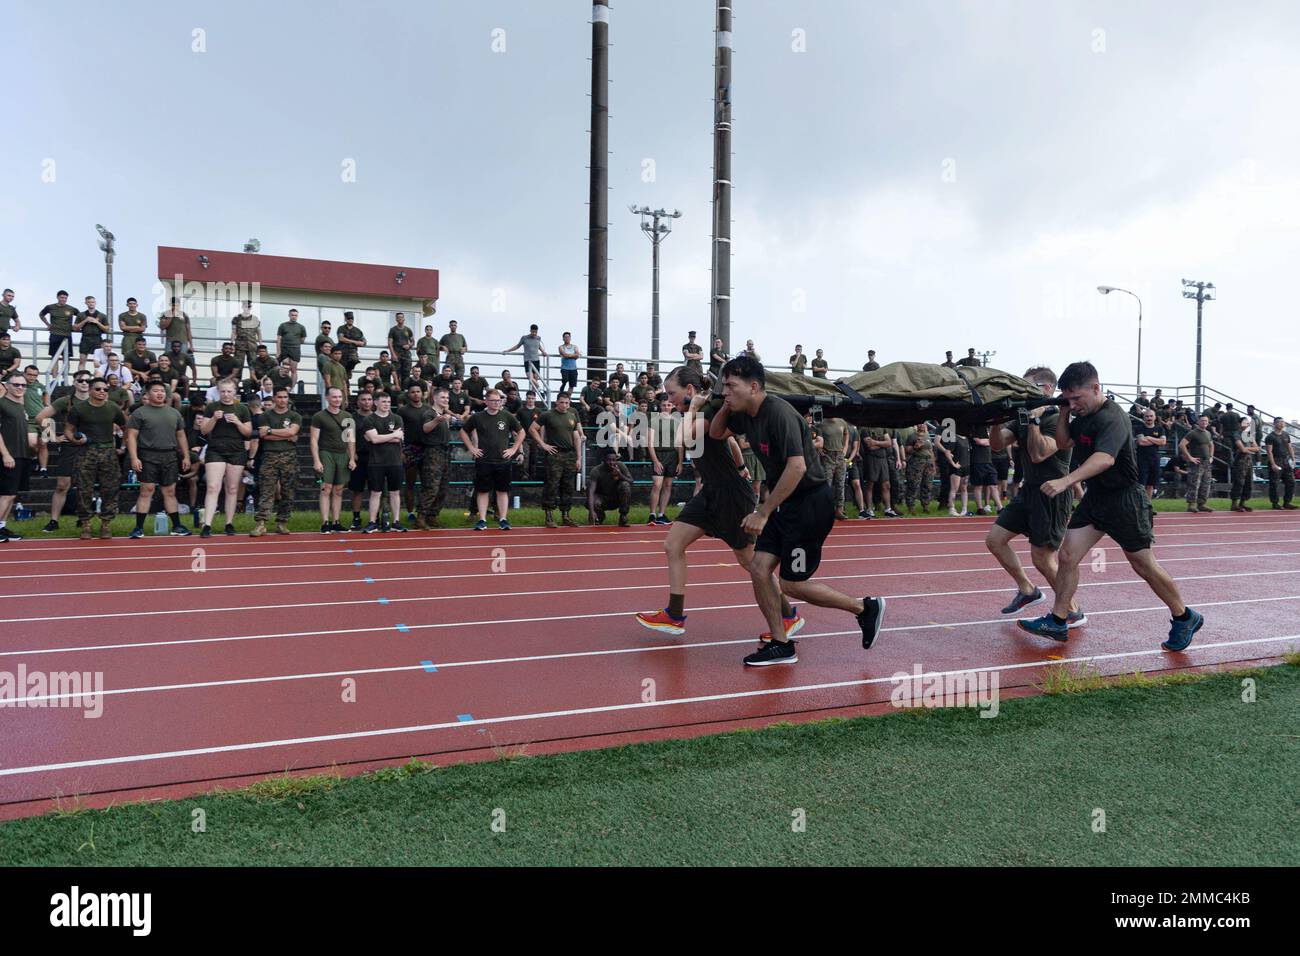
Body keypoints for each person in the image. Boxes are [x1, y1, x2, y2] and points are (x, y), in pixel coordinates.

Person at [705, 356, 886, 665]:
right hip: (785, 502)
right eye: (724, 386)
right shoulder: (745, 411)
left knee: (792, 584)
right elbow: (716, 433)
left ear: (754, 386)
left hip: (809, 503)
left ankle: (864, 608)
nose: (725, 391)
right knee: (759, 568)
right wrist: (726, 403)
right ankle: (781, 643)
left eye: (731, 386)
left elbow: (797, 467)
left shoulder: (778, 413)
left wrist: (763, 512)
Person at [1018, 361, 1203, 650]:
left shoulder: (1113, 417)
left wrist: (1066, 481)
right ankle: (1057, 621)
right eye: (1068, 399)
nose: (1074, 404)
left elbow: (1105, 458)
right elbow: (1064, 442)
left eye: (1077, 398)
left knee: (1143, 565)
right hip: (1097, 498)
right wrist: (1065, 411)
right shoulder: (1080, 415)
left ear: (1096, 388)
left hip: (1125, 499)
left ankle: (1184, 616)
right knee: (1067, 556)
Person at [636, 365, 814, 639]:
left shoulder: (709, 408)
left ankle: (788, 615)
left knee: (749, 561)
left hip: (730, 494)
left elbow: (683, 437)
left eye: (672, 393)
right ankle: (674, 614)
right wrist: (741, 464)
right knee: (673, 544)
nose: (668, 399)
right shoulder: (701, 410)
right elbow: (726, 441)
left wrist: (695, 410)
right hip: (710, 491)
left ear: (691, 390)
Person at [984, 366, 1082, 624]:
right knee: (995, 540)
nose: (1022, 392)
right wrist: (994, 420)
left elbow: (1039, 453)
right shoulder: (1024, 416)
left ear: (1047, 389)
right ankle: (1028, 590)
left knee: (1042, 557)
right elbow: (997, 444)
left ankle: (1071, 609)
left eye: (1028, 387)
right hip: (1029, 490)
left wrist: (1034, 420)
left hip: (1052, 493)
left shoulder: (1056, 419)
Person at [125, 381, 192, 538]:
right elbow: (131, 436)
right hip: (147, 455)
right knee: (146, 490)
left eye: (162, 391)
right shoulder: (139, 413)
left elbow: (181, 436)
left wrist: (186, 456)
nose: (160, 393)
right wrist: (134, 458)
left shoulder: (174, 413)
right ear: (147, 394)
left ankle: (176, 526)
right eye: (156, 391)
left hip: (169, 455)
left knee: (169, 491)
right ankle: (138, 528)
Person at [66, 377, 128, 540]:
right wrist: (75, 440)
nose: (102, 392)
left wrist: (123, 447)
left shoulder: (113, 408)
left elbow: (126, 427)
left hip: (108, 451)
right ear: (91, 390)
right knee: (83, 489)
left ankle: (106, 523)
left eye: (105, 390)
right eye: (98, 389)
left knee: (111, 488)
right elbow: (68, 430)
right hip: (86, 451)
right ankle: (85, 523)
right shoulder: (79, 409)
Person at [460, 388, 524, 531]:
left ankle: (503, 519)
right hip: (484, 460)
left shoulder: (507, 416)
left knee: (502, 491)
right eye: (493, 400)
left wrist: (514, 449)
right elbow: (463, 431)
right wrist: (471, 448)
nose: (496, 403)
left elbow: (521, 432)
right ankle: (482, 520)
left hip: (503, 461)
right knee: (482, 491)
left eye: (499, 400)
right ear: (486, 401)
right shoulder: (478, 417)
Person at [198, 378, 253, 537]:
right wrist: (215, 418)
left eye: (229, 391)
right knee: (213, 486)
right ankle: (207, 525)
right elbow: (203, 430)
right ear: (218, 391)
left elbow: (248, 433)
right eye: (223, 391)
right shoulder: (212, 407)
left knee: (232, 488)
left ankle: (229, 523)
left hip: (236, 450)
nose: (226, 394)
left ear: (234, 392)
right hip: (216, 449)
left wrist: (237, 422)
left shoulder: (242, 409)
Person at [250, 386, 301, 536]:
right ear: (274, 399)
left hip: (289, 456)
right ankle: (261, 523)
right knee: (266, 490)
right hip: (269, 456)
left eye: (285, 397)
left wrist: (271, 431)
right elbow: (263, 435)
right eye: (279, 397)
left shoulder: (295, 415)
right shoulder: (265, 415)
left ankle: (282, 522)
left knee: (288, 491)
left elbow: (292, 432)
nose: (282, 400)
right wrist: (286, 435)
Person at [361, 391, 408, 533]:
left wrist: (380, 437)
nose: (387, 404)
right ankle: (372, 522)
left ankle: (396, 522)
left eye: (388, 402)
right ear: (375, 403)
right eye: (383, 402)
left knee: (395, 492)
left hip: (395, 461)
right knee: (376, 493)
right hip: (376, 462)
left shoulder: (397, 418)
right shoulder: (369, 419)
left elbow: (399, 439)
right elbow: (374, 439)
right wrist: (393, 435)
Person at [311, 386, 355, 533]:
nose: (337, 400)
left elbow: (350, 439)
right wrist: (316, 460)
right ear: (327, 398)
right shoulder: (319, 416)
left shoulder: (347, 415)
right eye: (334, 397)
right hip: (326, 453)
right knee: (326, 488)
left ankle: (336, 521)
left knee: (338, 490)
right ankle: (325, 522)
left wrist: (352, 458)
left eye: (340, 397)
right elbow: (313, 439)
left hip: (343, 454)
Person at [0, 370, 35, 541]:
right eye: (16, 384)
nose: (20, 387)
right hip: (8, 456)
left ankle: (2, 527)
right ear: (6, 385)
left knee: (12, 494)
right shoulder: (2, 404)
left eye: (23, 385)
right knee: (6, 494)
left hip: (21, 455)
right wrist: (6, 454)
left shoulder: (20, 405)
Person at [418, 387, 457, 527]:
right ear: (434, 398)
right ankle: (421, 516)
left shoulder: (445, 414)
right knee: (431, 486)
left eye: (447, 398)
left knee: (443, 487)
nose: (446, 400)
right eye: (443, 397)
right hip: (433, 452)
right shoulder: (429, 413)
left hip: (445, 452)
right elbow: (425, 428)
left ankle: (432, 516)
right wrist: (437, 420)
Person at [646, 396, 681, 524]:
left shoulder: (677, 421)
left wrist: (680, 462)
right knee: (657, 484)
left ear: (672, 406)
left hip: (673, 455)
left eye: (669, 405)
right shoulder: (654, 420)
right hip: (659, 454)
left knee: (668, 485)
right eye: (664, 405)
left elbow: (679, 443)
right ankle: (652, 514)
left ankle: (661, 514)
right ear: (660, 406)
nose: (666, 407)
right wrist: (655, 461)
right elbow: (649, 443)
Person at [347, 390, 375, 529]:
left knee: (375, 490)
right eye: (363, 399)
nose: (366, 402)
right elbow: (347, 439)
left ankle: (374, 518)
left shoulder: (377, 417)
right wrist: (352, 455)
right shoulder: (350, 418)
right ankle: (356, 518)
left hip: (375, 458)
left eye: (369, 399)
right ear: (358, 402)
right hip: (357, 457)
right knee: (357, 490)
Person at [1179, 415, 1215, 513]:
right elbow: (1182, 444)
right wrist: (1190, 457)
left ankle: (1202, 504)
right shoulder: (1193, 433)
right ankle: (1191, 505)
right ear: (1198, 422)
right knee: (1194, 483)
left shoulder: (1208, 433)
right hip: (1197, 462)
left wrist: (1211, 456)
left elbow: (1211, 445)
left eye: (1206, 421)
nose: (1204, 422)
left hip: (1206, 462)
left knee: (1206, 484)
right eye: (1202, 420)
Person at [39, 290, 79, 378]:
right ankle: (54, 379)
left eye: (65, 298)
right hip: (55, 334)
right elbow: (41, 314)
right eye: (62, 297)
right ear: (57, 297)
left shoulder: (71, 308)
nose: (63, 299)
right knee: (55, 358)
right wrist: (47, 324)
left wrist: (75, 325)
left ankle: (64, 380)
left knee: (66, 359)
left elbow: (80, 316)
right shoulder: (50, 307)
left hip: (67, 336)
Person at [860, 426, 898, 518]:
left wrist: (875, 442)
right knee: (870, 484)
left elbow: (889, 443)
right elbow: (870, 447)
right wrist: (882, 444)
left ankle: (888, 509)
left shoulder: (882, 428)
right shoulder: (865, 429)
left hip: (883, 459)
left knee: (886, 484)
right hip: (872, 458)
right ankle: (869, 509)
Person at [588, 450, 633, 526]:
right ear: (604, 460)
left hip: (617, 498)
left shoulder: (621, 466)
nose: (612, 463)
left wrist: (620, 475)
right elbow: (591, 492)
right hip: (602, 498)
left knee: (625, 485)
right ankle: (599, 516)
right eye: (609, 460)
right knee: (594, 499)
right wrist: (592, 511)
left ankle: (623, 516)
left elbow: (631, 481)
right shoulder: (596, 471)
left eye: (614, 460)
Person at [1133, 407, 1166, 500]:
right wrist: (1157, 440)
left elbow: (1163, 442)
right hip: (1142, 459)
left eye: (1151, 416)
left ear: (1155, 417)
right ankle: (1140, 504)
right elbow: (1141, 442)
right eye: (1147, 416)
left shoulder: (1160, 429)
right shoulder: (1139, 428)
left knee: (1151, 483)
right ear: (1144, 418)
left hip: (1154, 458)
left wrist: (1149, 438)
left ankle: (1148, 505)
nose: (1149, 418)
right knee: (1141, 483)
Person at [903, 422, 936, 514]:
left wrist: (933, 464)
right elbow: (907, 450)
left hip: (928, 462)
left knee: (927, 484)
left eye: (923, 424)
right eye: (919, 424)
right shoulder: (912, 436)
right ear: (917, 425)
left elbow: (931, 450)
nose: (921, 425)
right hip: (916, 462)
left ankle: (925, 505)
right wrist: (916, 447)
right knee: (913, 484)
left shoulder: (927, 435)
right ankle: (911, 505)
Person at [504, 324, 546, 393]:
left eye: (535, 332)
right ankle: (540, 389)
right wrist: (508, 350)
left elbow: (539, 346)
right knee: (530, 377)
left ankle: (533, 395)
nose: (534, 333)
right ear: (530, 330)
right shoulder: (524, 338)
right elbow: (517, 346)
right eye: (533, 332)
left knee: (535, 378)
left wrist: (543, 352)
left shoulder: (538, 338)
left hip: (536, 360)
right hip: (528, 361)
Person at [73, 295, 111, 372]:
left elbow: (107, 329)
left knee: (98, 362)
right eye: (89, 302)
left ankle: (98, 379)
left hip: (97, 339)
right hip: (85, 338)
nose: (91, 304)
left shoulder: (102, 315)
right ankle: (81, 377)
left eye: (93, 302)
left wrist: (97, 322)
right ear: (86, 303)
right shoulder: (81, 315)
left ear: (95, 303)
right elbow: (75, 328)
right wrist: (85, 321)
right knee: (82, 361)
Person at [1264, 417, 1295, 509]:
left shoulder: (1286, 435)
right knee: (1275, 483)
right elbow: (1269, 452)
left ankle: (1287, 502)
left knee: (1291, 482)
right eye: (1280, 422)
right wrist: (1273, 464)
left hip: (1285, 460)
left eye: (1283, 422)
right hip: (1276, 460)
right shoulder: (1270, 437)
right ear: (1275, 424)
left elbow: (1289, 447)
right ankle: (1275, 503)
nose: (1282, 424)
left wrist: (1293, 459)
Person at [1230, 420, 1261, 512]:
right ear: (1239, 424)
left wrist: (1247, 448)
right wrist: (1248, 449)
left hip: (1248, 461)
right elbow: (1242, 449)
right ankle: (1234, 504)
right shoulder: (1236, 434)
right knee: (1239, 482)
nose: (1246, 425)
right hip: (1239, 460)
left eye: (1248, 423)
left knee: (1248, 483)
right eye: (1244, 423)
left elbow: (1257, 448)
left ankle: (1242, 503)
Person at [159, 297, 195, 370]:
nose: (175, 307)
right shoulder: (165, 314)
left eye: (176, 305)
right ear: (170, 305)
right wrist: (171, 315)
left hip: (183, 342)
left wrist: (191, 345)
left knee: (182, 361)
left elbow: (188, 330)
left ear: (179, 305)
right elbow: (162, 326)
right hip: (170, 342)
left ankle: (181, 378)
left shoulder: (184, 315)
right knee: (167, 361)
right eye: (173, 305)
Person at [276, 308, 308, 387]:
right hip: (284, 349)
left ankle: (291, 388)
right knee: (284, 368)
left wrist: (295, 342)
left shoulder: (301, 327)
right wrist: (278, 352)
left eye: (296, 315)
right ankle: (282, 387)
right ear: (289, 315)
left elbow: (303, 340)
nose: (294, 317)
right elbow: (279, 339)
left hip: (295, 350)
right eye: (292, 315)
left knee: (294, 370)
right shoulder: (283, 325)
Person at [336, 312, 366, 378]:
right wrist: (354, 342)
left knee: (349, 370)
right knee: (341, 372)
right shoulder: (341, 328)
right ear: (345, 319)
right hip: (342, 352)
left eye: (352, 318)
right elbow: (341, 338)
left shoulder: (357, 331)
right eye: (349, 318)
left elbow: (364, 342)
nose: (350, 320)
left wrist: (361, 343)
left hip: (352, 353)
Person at [388, 312, 416, 382]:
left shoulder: (408, 330)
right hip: (396, 355)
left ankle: (405, 390)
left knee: (406, 374)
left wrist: (409, 345)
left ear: (404, 319)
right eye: (398, 317)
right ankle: (396, 391)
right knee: (396, 374)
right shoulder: (393, 330)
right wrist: (393, 354)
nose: (400, 319)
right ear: (396, 319)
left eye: (401, 317)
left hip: (406, 355)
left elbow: (413, 342)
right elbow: (390, 343)